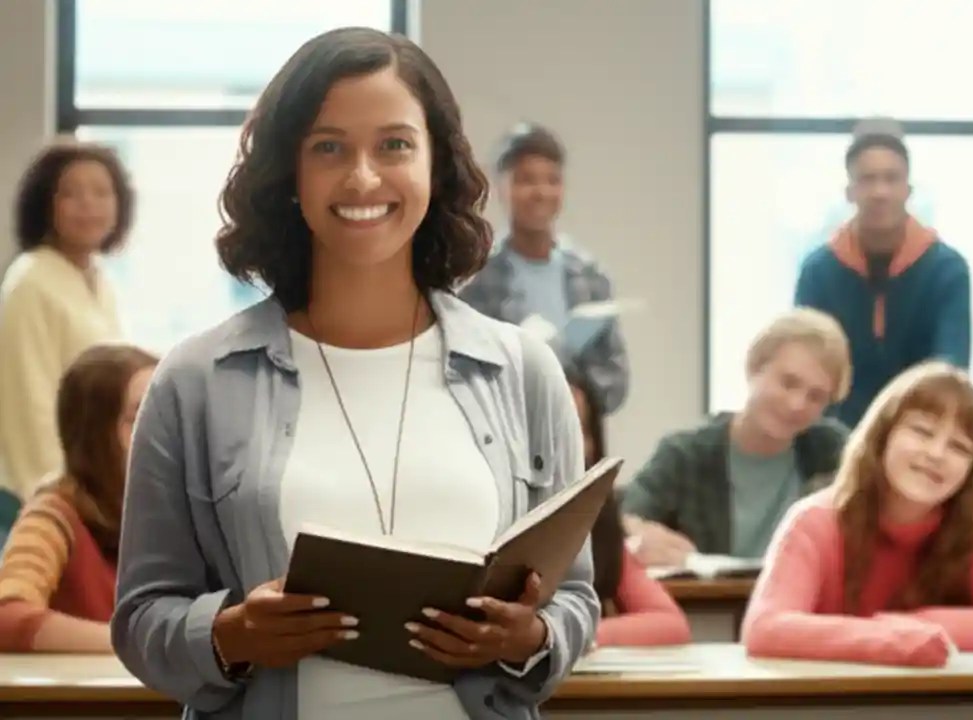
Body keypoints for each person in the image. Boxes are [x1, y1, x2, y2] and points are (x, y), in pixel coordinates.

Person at [110, 28, 597, 720]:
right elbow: (139, 620)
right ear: (290, 173)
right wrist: (232, 634)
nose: (363, 177)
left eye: (395, 144)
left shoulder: (523, 372)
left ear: (437, 164)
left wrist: (532, 636)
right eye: (329, 147)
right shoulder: (196, 379)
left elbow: (575, 597)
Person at [740, 362, 973, 667]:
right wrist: (892, 639)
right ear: (882, 436)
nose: (936, 454)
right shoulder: (813, 521)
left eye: (959, 448)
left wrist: (909, 626)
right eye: (922, 431)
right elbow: (764, 628)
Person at [621, 308, 851, 568]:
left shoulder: (834, 453)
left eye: (816, 397)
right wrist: (640, 535)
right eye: (788, 383)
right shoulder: (684, 454)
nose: (797, 404)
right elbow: (625, 520)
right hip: (707, 605)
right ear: (754, 368)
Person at [794, 117, 971, 429]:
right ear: (849, 191)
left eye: (891, 179)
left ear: (908, 189)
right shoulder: (818, 271)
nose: (880, 192)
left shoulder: (946, 269)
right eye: (867, 179)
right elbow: (804, 365)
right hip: (834, 440)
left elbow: (949, 369)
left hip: (919, 433)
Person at [459, 123, 629, 414]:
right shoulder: (477, 278)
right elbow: (463, 375)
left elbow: (616, 376)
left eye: (552, 180)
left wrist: (581, 399)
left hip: (578, 440)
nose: (541, 192)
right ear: (500, 186)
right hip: (504, 439)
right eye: (526, 180)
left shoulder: (590, 276)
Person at [0, 142, 134, 505]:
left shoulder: (100, 280)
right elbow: (29, 405)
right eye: (71, 194)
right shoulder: (30, 282)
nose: (89, 204)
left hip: (90, 486)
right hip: (39, 493)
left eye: (102, 193)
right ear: (46, 204)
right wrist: (53, 499)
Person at [0, 344, 155, 652]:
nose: (161, 433)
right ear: (96, 437)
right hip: (89, 699)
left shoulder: (169, 512)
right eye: (139, 418)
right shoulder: (56, 513)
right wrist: (138, 645)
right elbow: (6, 616)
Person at [564, 370, 690, 647]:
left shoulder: (597, 528)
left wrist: (563, 639)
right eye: (552, 427)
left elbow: (670, 623)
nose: (567, 444)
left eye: (580, 429)